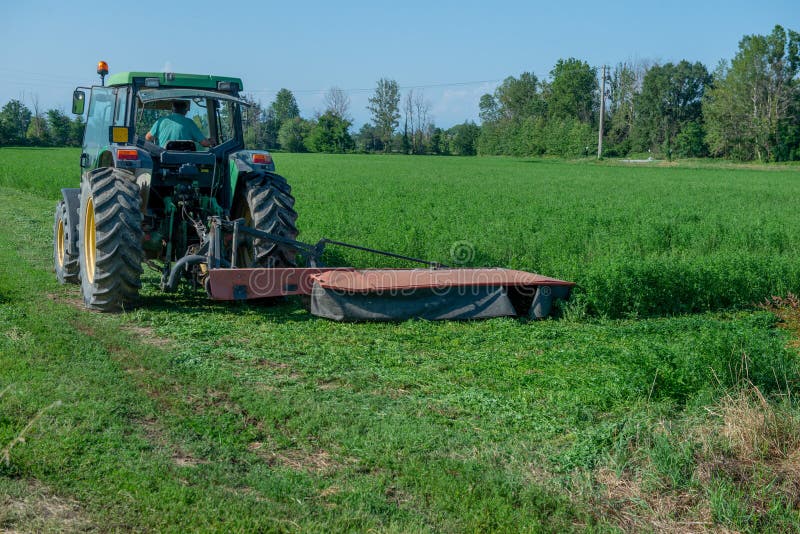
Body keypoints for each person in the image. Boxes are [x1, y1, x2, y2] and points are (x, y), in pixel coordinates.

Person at [145, 100, 213, 148]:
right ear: (185, 111)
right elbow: (204, 143)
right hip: (185, 162)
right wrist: (211, 141)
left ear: (172, 110)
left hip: (164, 161)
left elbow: (148, 137)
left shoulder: (161, 121)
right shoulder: (190, 123)